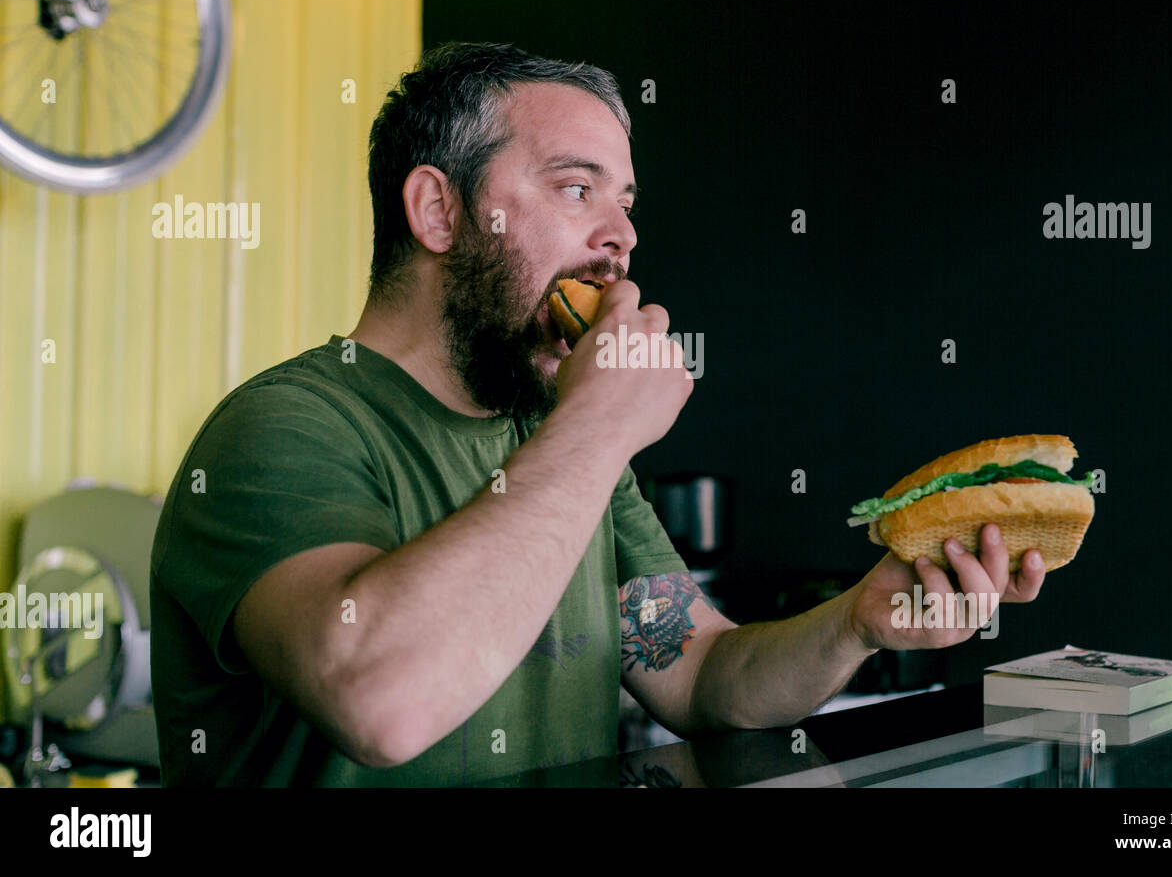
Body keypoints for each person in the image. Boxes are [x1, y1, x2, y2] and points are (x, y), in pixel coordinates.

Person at [149, 41, 1048, 786]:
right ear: (437, 210)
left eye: (624, 203)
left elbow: (699, 674)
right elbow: (380, 707)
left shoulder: (557, 439)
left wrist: (858, 620)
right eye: (576, 190)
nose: (620, 236)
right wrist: (602, 425)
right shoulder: (280, 431)